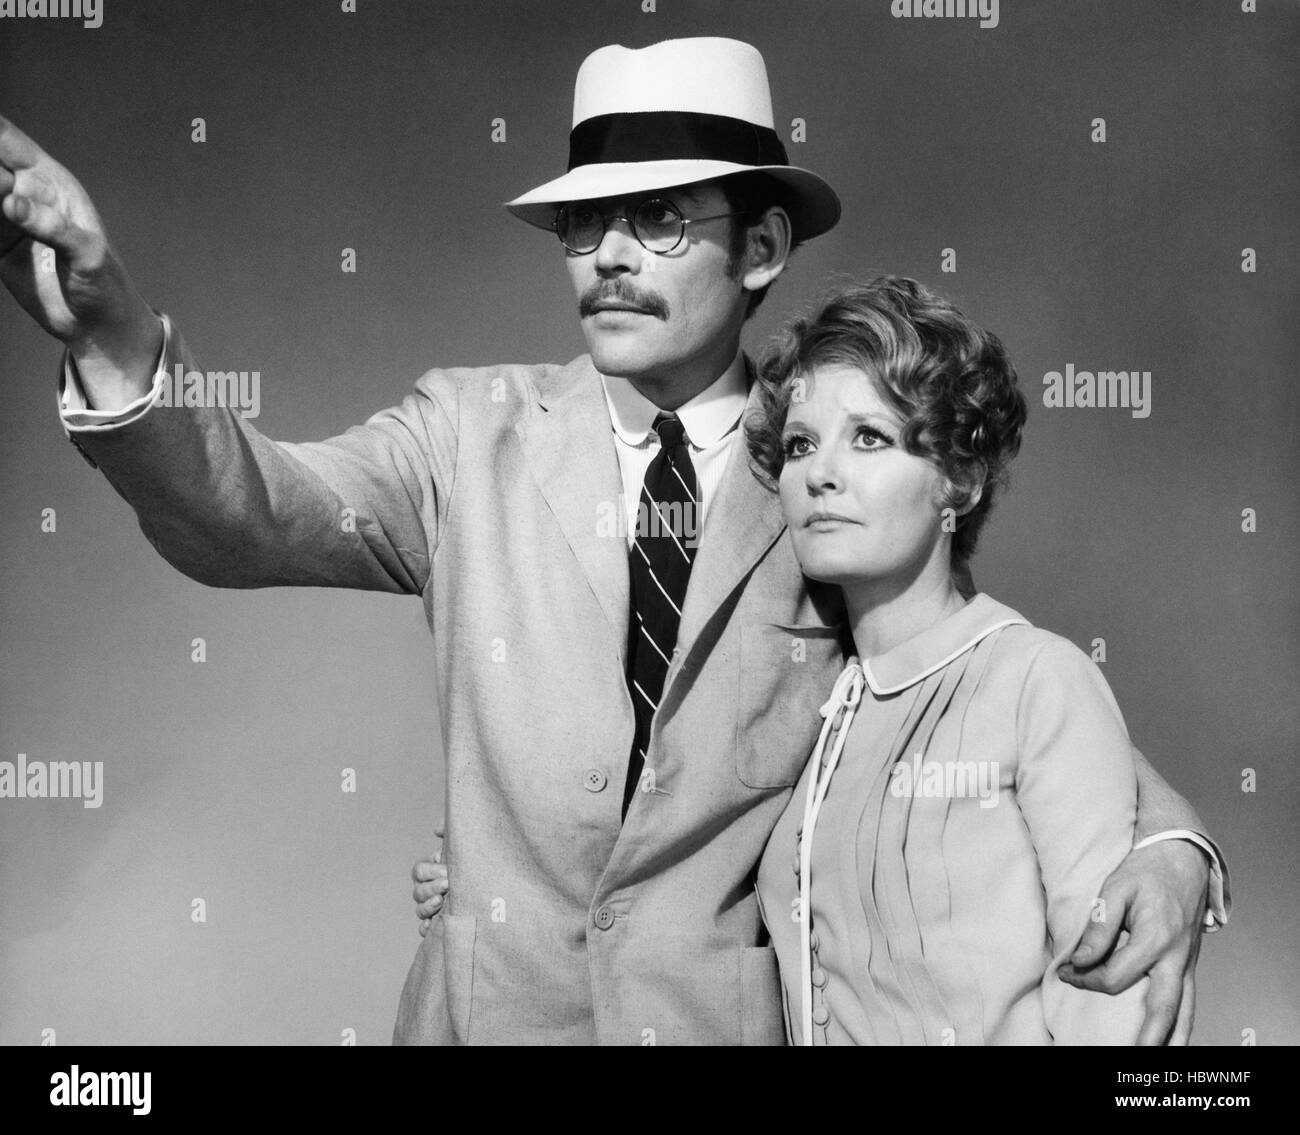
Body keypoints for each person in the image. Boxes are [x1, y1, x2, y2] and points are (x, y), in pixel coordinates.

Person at [0, 36, 1225, 1045]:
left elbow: (976, 685)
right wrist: (110, 324)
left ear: (761, 249)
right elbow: (244, 512)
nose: (613, 258)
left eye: (661, 221)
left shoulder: (821, 469)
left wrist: (1170, 846)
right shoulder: (464, 434)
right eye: (586, 225)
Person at [747, 276, 1159, 1043]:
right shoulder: (815, 708)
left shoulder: (1036, 679)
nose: (819, 472)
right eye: (801, 443)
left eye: (869, 437)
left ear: (959, 479)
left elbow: (1114, 1008)